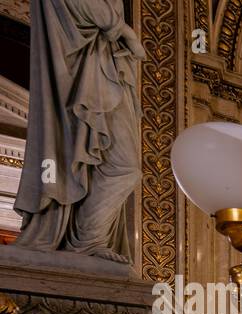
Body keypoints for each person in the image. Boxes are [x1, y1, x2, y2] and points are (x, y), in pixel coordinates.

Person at [14, 0, 145, 262]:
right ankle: (87, 242)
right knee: (122, 167)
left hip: (105, 60)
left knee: (123, 167)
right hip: (86, 63)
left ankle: (88, 240)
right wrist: (123, 30)